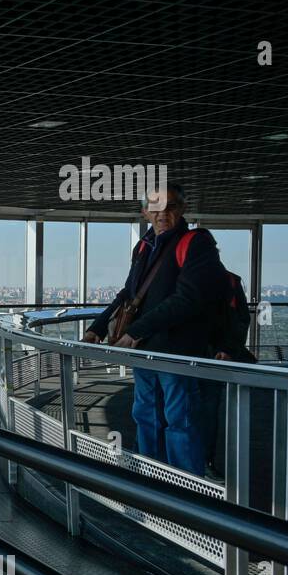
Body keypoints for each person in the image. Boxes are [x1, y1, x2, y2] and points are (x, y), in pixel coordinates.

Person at [83, 185, 227, 476]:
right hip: (146, 350)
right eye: (155, 208)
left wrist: (135, 331)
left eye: (170, 206)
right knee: (146, 415)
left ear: (182, 209)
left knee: (180, 419)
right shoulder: (144, 245)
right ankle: (151, 479)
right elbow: (130, 293)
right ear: (144, 212)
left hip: (176, 350)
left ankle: (186, 487)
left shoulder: (196, 243)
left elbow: (189, 299)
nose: (163, 214)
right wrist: (97, 327)